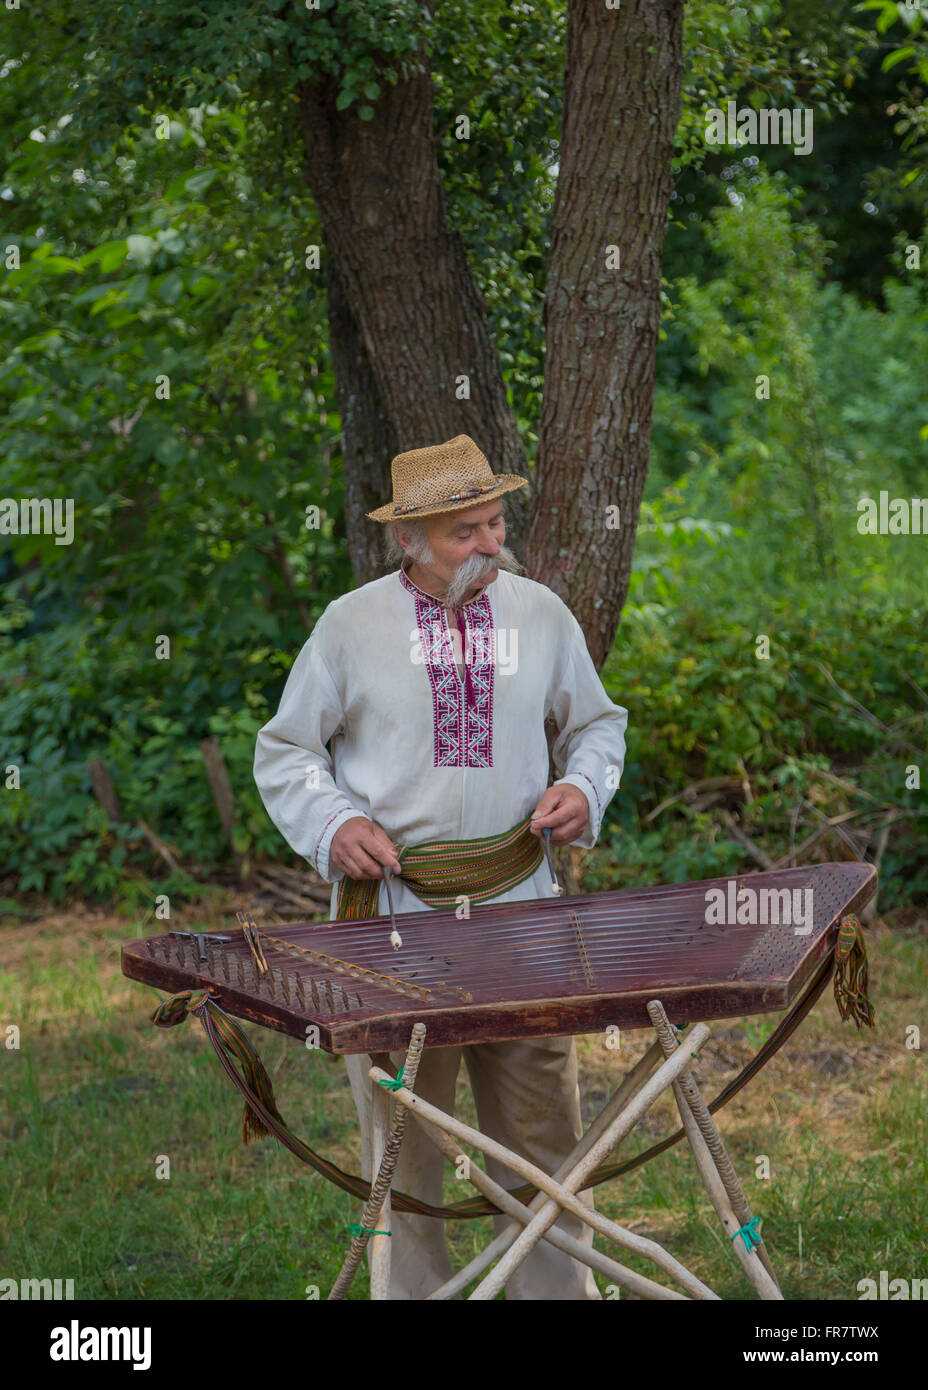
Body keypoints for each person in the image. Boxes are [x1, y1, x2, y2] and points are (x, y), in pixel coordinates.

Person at [253, 433, 629, 1298]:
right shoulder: (350, 627)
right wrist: (334, 820)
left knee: (542, 1126)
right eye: (468, 532)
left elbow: (597, 724)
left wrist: (582, 784)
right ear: (409, 539)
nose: (493, 544)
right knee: (405, 1144)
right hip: (395, 919)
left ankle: (554, 1295)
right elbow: (285, 752)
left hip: (522, 905)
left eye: (496, 523)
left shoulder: (540, 614)